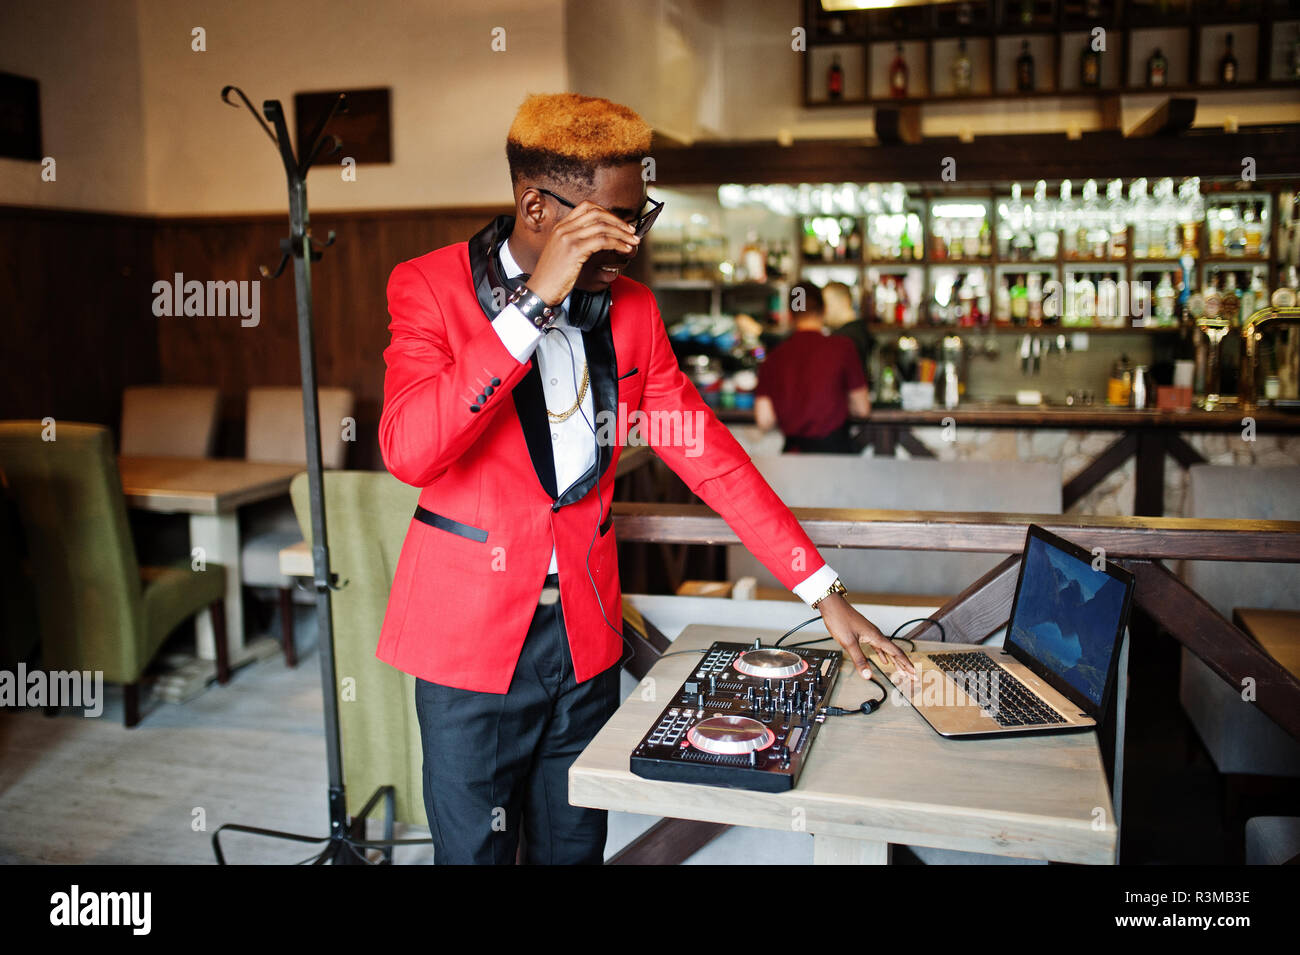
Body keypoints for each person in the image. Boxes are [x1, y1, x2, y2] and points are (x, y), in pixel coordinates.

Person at [376, 93, 913, 865]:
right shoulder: (428, 287)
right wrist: (531, 308)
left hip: (586, 636)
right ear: (537, 206)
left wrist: (823, 591)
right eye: (610, 224)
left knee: (573, 846)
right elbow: (411, 450)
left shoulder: (632, 312)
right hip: (468, 641)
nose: (630, 245)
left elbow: (712, 459)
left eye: (639, 218)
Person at [754, 282, 871, 453]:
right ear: (823, 310)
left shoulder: (774, 356)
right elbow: (862, 409)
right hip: (835, 456)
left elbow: (764, 420)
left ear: (790, 314)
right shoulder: (843, 348)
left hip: (793, 456)